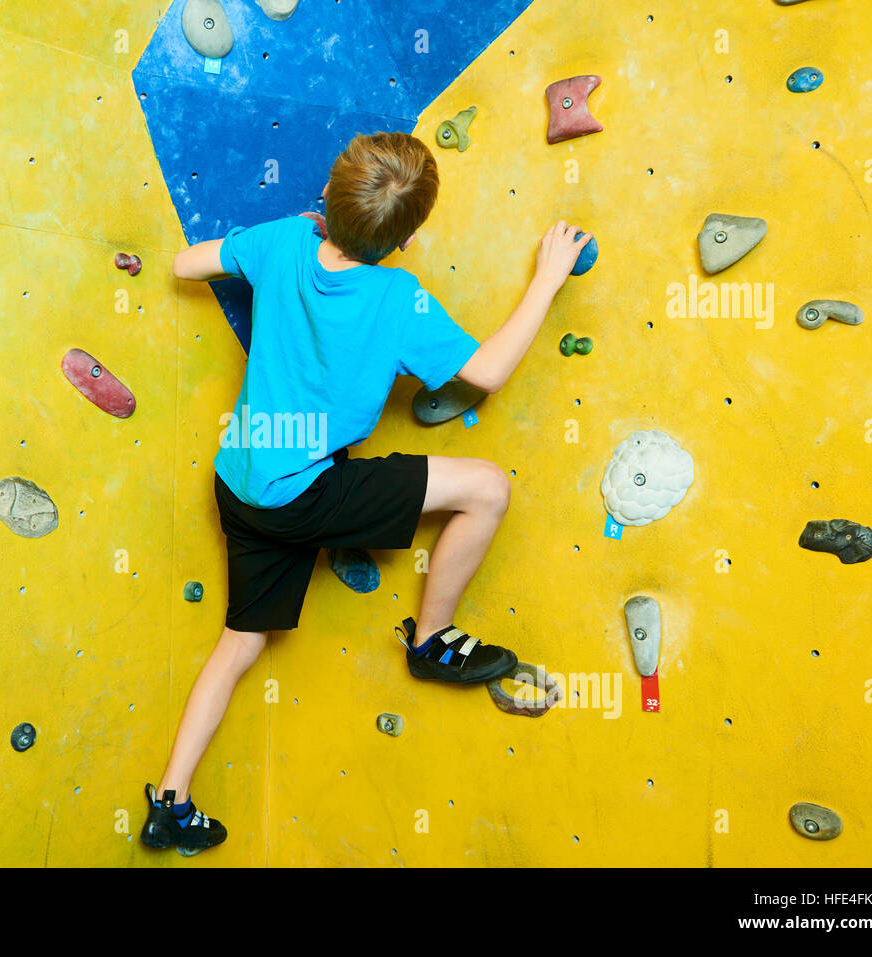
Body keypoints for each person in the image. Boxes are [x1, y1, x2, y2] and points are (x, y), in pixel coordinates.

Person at [141, 131, 591, 855]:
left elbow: (184, 262)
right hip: (308, 496)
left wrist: (289, 239)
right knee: (487, 489)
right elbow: (486, 372)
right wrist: (549, 276)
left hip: (239, 487)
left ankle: (171, 800)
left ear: (326, 197)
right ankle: (434, 640)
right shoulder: (398, 298)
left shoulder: (282, 241)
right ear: (408, 237)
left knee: (240, 643)